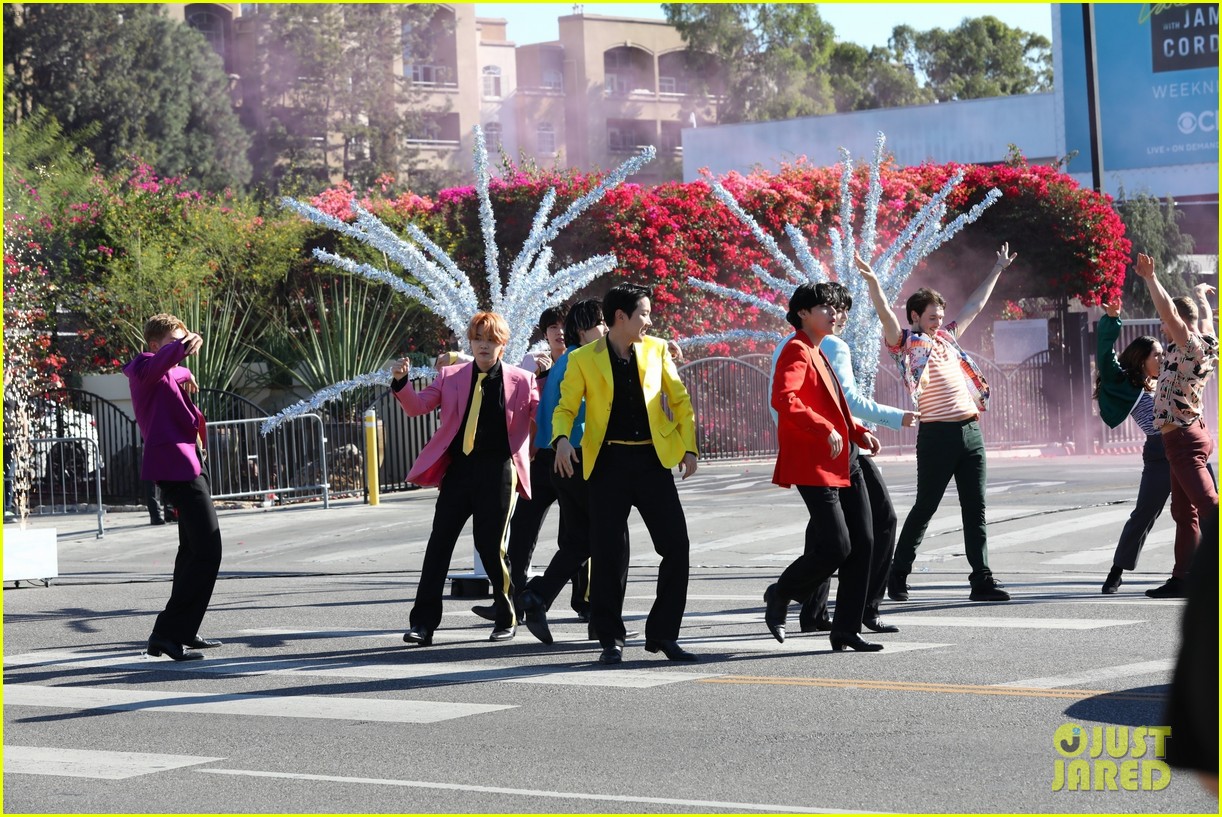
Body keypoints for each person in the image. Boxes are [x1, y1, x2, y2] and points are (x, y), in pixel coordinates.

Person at [857, 244, 1017, 603]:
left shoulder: (948, 338)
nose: (938, 320)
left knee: (975, 508)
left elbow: (974, 306)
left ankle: (982, 580)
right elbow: (884, 314)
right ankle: (897, 573)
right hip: (937, 434)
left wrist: (997, 269)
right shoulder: (904, 343)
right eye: (932, 315)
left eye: (940, 315)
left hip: (970, 431)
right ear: (915, 316)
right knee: (926, 506)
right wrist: (873, 284)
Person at [552, 283, 700, 665]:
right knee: (608, 554)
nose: (649, 321)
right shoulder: (583, 358)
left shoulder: (657, 349)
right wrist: (564, 440)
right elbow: (566, 407)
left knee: (676, 546)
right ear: (621, 317)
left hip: (652, 462)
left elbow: (679, 399)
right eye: (644, 314)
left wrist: (688, 445)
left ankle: (664, 634)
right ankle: (610, 638)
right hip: (608, 464)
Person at [769, 282, 918, 634]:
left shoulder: (819, 348)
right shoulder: (800, 349)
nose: (836, 315)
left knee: (860, 540)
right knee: (839, 544)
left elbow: (836, 404)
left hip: (842, 451)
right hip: (818, 457)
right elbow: (785, 398)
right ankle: (784, 594)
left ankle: (846, 628)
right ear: (803, 313)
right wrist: (825, 428)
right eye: (827, 308)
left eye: (839, 309)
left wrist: (856, 431)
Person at [393, 312, 539, 646]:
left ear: (502, 344)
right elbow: (417, 407)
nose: (483, 346)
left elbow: (542, 414)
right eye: (478, 339)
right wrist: (401, 383)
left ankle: (506, 616)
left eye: (490, 340)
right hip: (459, 470)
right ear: (469, 342)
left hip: (499, 470)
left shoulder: (521, 379)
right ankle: (423, 624)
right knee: (439, 543)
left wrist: (545, 377)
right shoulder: (451, 375)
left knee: (491, 547)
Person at [123, 313, 223, 662]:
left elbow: (173, 369)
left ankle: (181, 631)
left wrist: (186, 371)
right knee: (208, 550)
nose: (182, 349)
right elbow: (159, 367)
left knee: (191, 551)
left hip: (190, 463)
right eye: (173, 342)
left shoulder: (168, 371)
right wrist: (183, 347)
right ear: (154, 345)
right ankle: (167, 633)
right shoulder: (141, 368)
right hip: (175, 467)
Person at [518, 299, 616, 644]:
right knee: (606, 537)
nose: (605, 330)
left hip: (561, 458)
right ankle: (602, 621)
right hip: (575, 456)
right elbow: (582, 411)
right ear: (582, 329)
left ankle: (539, 597)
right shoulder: (581, 360)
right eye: (600, 323)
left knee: (579, 540)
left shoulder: (570, 358)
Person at [1134, 257, 1218, 598]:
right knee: (1184, 512)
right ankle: (1183, 578)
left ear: (1180, 324)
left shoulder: (1190, 346)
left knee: (1208, 505)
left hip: (1183, 439)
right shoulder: (1207, 341)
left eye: (1166, 324)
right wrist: (1201, 295)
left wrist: (1152, 279)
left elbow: (1170, 311)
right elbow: (1206, 320)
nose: (1162, 326)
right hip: (1184, 436)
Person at [1094, 300, 1173, 594]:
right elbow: (1104, 355)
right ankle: (1117, 571)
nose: (1163, 359)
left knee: (1209, 507)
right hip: (1159, 452)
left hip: (1187, 448)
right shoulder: (1126, 384)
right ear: (1142, 359)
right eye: (1157, 355)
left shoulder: (1166, 378)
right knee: (1144, 513)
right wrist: (1112, 319)